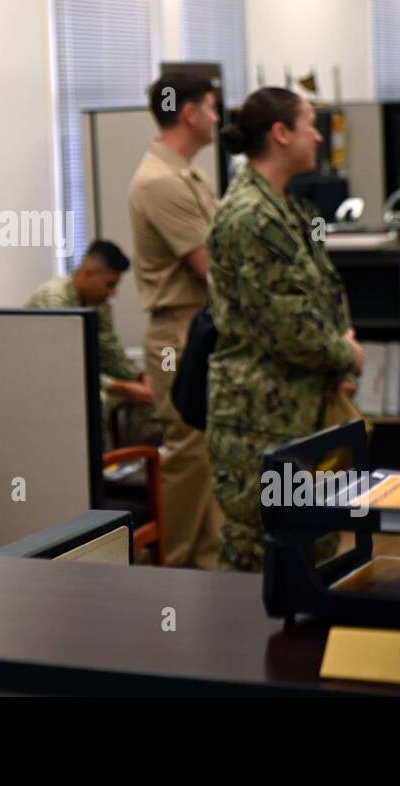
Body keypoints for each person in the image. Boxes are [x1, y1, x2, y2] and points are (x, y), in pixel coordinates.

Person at [206, 88, 362, 572]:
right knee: (266, 557)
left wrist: (342, 346)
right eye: (310, 123)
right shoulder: (251, 217)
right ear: (280, 133)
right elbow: (288, 330)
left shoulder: (285, 207)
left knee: (315, 547)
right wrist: (346, 354)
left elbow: (322, 291)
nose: (318, 134)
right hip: (262, 421)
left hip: (302, 411)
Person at [127, 72, 225, 569]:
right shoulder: (160, 180)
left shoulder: (188, 173)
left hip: (199, 327)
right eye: (210, 106)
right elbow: (213, 262)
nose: (216, 116)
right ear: (188, 112)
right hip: (178, 331)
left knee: (208, 452)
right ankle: (182, 569)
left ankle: (210, 565)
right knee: (188, 452)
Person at [25, 240, 159, 448]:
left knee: (149, 398)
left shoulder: (99, 304)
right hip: (44, 382)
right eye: (110, 284)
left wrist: (139, 377)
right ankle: (97, 474)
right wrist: (122, 387)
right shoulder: (55, 301)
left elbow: (110, 352)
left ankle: (142, 466)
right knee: (96, 401)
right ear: (88, 273)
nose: (113, 293)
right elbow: (63, 366)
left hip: (81, 377)